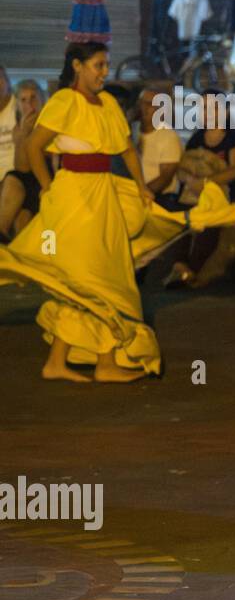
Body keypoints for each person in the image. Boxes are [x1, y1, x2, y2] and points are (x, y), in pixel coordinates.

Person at [0, 42, 159, 382]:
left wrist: (142, 185)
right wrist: (46, 185)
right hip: (74, 195)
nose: (104, 72)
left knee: (102, 278)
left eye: (106, 65)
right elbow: (34, 146)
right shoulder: (63, 102)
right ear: (78, 66)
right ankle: (98, 362)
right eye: (98, 65)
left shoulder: (109, 105)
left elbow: (128, 150)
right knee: (92, 278)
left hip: (103, 194)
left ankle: (70, 362)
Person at [164, 88, 235, 289]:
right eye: (204, 107)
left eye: (214, 107)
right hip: (200, 195)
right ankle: (182, 267)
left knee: (209, 221)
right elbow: (184, 168)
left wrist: (205, 183)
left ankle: (191, 270)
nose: (209, 112)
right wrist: (191, 181)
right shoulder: (197, 138)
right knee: (177, 216)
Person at [0, 79, 46, 241]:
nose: (30, 104)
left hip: (45, 181)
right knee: (13, 179)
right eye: (24, 100)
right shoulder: (18, 129)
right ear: (18, 105)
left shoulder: (50, 126)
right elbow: (22, 168)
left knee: (24, 216)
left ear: (42, 100)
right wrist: (24, 135)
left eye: (34, 98)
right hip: (26, 183)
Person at [136, 85, 183, 204]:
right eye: (143, 103)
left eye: (151, 104)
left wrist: (139, 195)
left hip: (157, 198)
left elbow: (165, 178)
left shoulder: (168, 137)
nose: (145, 107)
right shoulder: (131, 131)